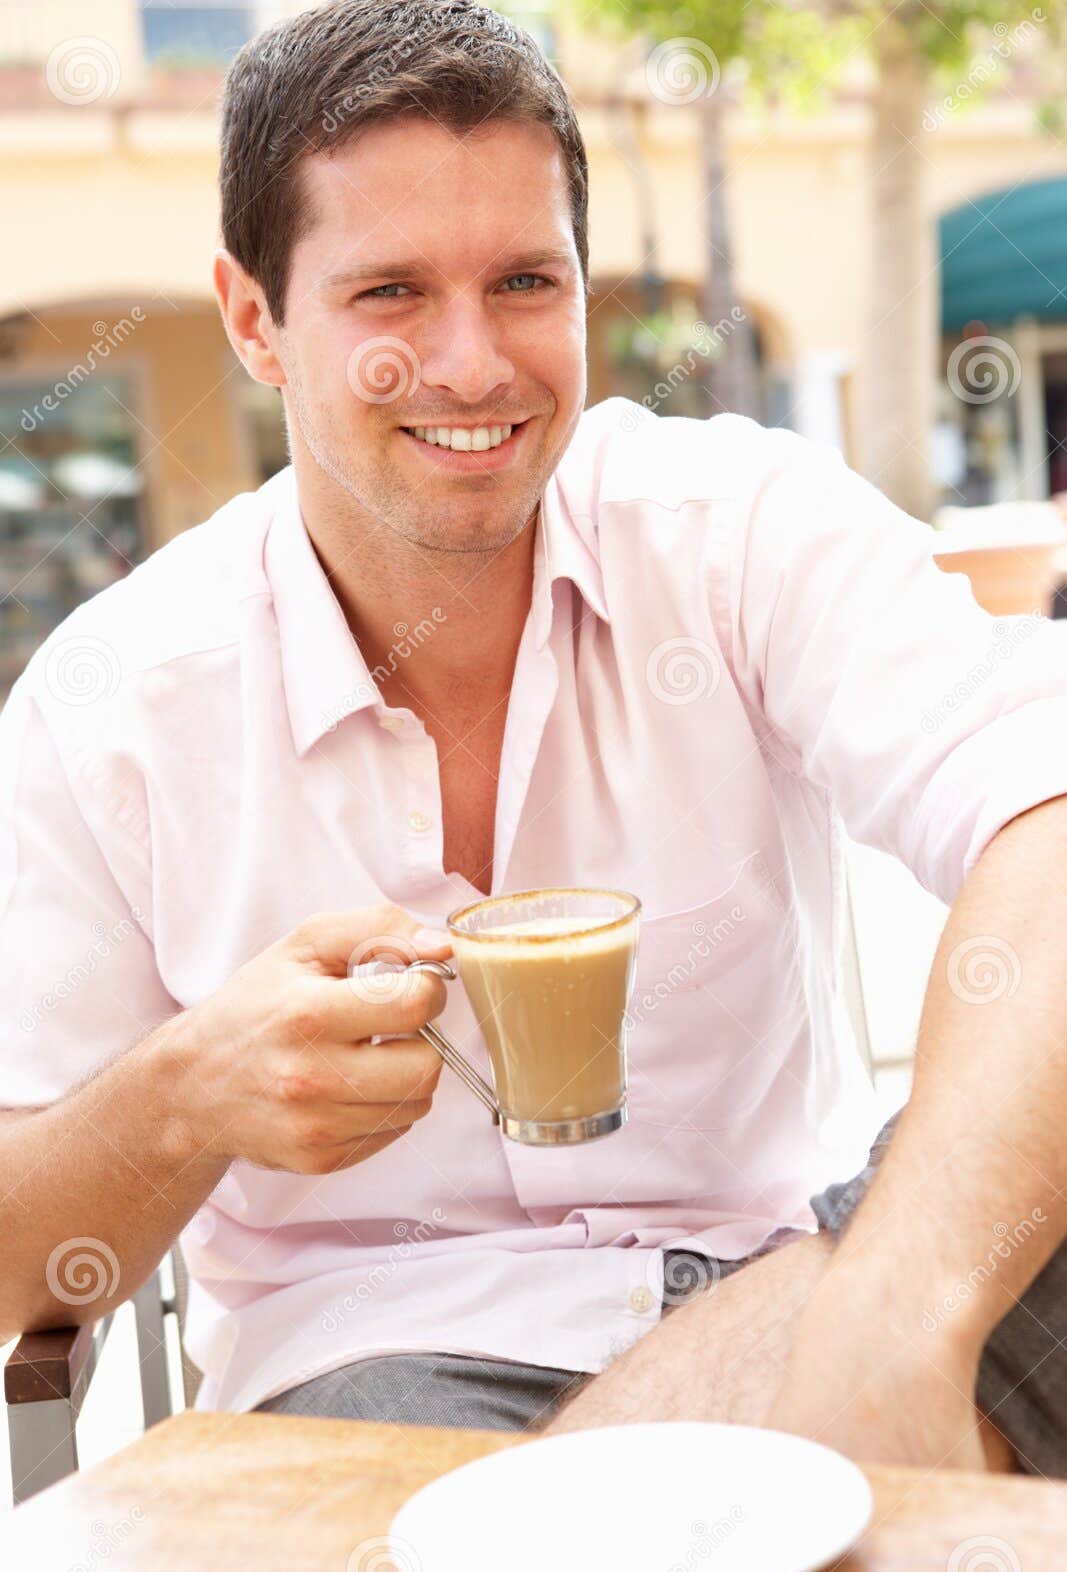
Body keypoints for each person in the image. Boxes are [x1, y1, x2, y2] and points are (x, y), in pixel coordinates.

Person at [2, 0, 1065, 1479]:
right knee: (442, 1534)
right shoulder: (113, 699)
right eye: (389, 295)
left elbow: (1048, 808)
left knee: (999, 1191)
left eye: (522, 281)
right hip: (386, 1385)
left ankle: (626, 1553)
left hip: (804, 1287)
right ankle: (673, 1544)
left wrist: (896, 1302)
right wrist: (185, 1094)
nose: (473, 364)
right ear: (255, 319)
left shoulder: (734, 531)